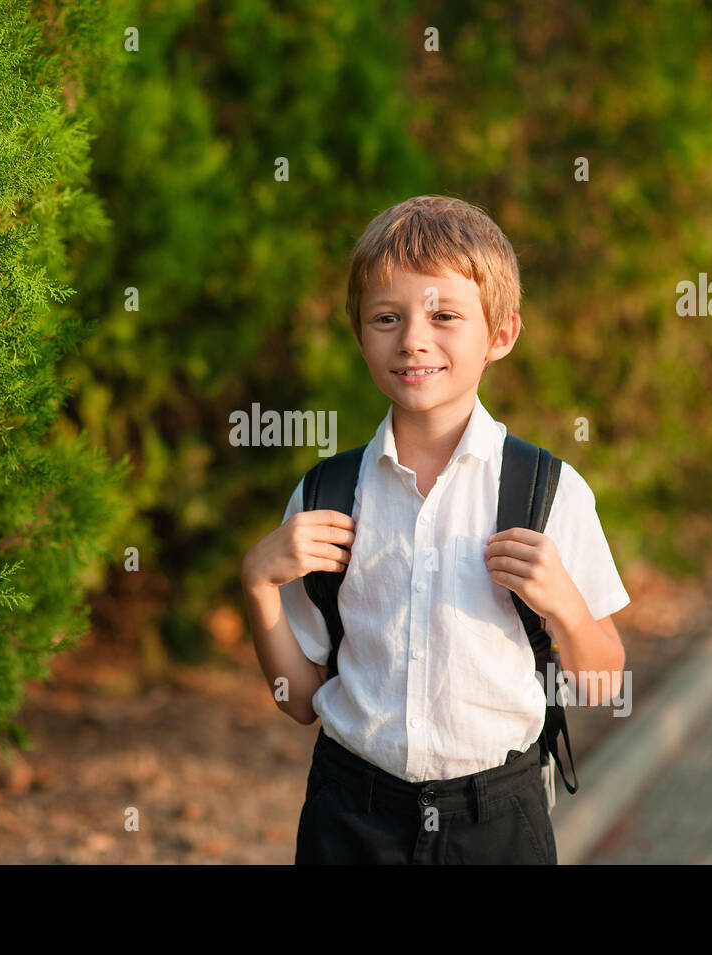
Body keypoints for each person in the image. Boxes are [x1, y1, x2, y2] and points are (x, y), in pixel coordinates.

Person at [241, 195, 630, 864]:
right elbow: (299, 701)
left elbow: (600, 682)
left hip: (496, 823)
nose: (413, 339)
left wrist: (565, 603)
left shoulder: (545, 490)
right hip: (351, 818)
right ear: (360, 334)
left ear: (501, 335)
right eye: (386, 318)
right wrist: (255, 584)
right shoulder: (327, 494)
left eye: (444, 315)